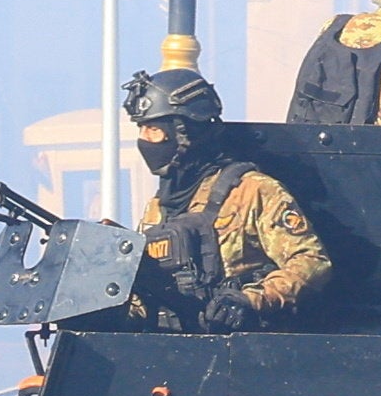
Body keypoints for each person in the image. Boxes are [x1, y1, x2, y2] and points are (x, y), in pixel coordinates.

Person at [120, 70, 330, 330]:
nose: (145, 140)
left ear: (187, 133)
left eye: (154, 130)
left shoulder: (251, 191)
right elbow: (143, 300)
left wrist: (251, 300)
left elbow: (311, 262)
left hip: (241, 346)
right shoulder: (158, 208)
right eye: (141, 129)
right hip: (170, 346)